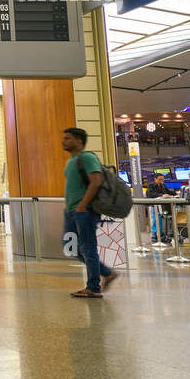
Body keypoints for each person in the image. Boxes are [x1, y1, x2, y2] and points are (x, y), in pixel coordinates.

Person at [61, 126, 118, 298]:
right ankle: (107, 273)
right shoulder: (71, 160)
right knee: (70, 248)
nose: (63, 141)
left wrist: (83, 204)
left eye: (68, 138)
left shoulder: (87, 157)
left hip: (84, 211)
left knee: (88, 248)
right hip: (72, 211)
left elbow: (96, 181)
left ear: (79, 141)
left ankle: (93, 287)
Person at [146, 173, 177, 243]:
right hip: (155, 206)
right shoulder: (151, 185)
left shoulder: (163, 185)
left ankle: (162, 236)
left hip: (163, 206)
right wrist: (162, 195)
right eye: (160, 179)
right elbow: (151, 194)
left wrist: (175, 193)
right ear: (155, 179)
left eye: (162, 179)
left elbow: (168, 192)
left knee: (162, 221)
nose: (161, 181)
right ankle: (154, 236)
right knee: (156, 220)